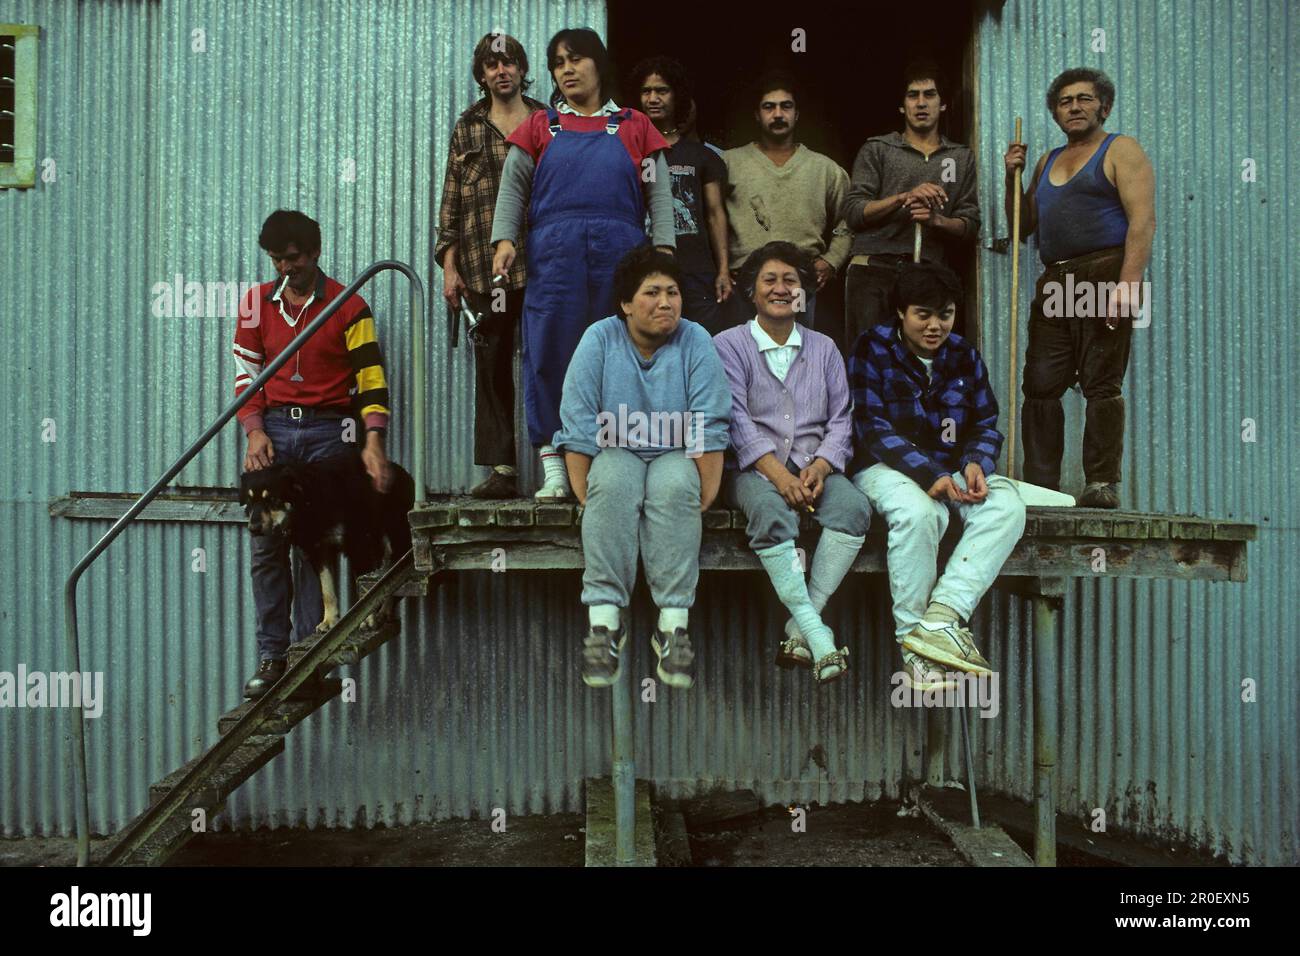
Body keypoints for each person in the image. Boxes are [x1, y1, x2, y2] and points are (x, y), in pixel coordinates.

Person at [491, 28, 676, 500]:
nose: (567, 69)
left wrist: (664, 250)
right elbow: (513, 187)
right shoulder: (540, 126)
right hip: (555, 257)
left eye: (576, 59)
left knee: (621, 353)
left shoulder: (634, 125)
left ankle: (616, 459)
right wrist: (506, 240)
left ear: (598, 64)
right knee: (551, 352)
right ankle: (556, 463)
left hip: (623, 256)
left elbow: (658, 191)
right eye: (558, 63)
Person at [553, 246, 730, 690]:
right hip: (616, 454)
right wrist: (586, 491)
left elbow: (710, 421)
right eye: (651, 292)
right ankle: (605, 624)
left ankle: (673, 627)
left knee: (673, 487)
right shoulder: (599, 339)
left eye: (672, 292)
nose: (666, 302)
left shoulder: (695, 340)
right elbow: (578, 419)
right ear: (626, 303)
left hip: (676, 456)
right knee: (610, 481)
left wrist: (701, 491)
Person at [232, 210, 394, 698]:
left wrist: (373, 440)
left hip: (330, 431)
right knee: (265, 543)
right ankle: (271, 656)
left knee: (314, 541)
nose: (285, 267)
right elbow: (246, 375)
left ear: (315, 253)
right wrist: (254, 431)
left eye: (294, 258)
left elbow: (370, 377)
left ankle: (310, 659)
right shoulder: (256, 304)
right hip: (275, 431)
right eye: (277, 260)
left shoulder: (349, 305)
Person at [848, 263, 1025, 689]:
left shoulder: (963, 354)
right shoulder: (872, 348)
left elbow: (985, 422)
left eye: (944, 314)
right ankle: (914, 649)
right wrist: (928, 473)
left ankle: (941, 620)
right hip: (883, 468)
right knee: (922, 514)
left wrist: (976, 463)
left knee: (1007, 505)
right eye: (922, 314)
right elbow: (871, 428)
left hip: (949, 470)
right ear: (901, 313)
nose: (935, 325)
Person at [713, 242, 870, 685]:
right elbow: (734, 419)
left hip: (814, 467)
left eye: (791, 281)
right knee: (769, 513)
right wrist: (778, 476)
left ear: (803, 292)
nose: (781, 289)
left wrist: (820, 467)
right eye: (770, 280)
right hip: (753, 471)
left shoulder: (824, 348)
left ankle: (802, 626)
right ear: (752, 290)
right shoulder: (728, 346)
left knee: (854, 511)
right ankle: (819, 636)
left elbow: (842, 420)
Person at [1005, 67, 1155, 508]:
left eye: (1084, 98)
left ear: (1103, 107)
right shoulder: (1046, 160)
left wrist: (1128, 285)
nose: (1074, 106)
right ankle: (1042, 486)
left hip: (1105, 272)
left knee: (1101, 382)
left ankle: (1100, 484)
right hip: (1057, 277)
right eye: (1065, 100)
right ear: (1055, 112)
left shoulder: (1120, 149)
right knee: (1041, 383)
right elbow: (1021, 226)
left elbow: (1143, 220)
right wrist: (1010, 176)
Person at [436, 32, 546, 499]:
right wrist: (449, 266)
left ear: (521, 70)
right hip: (484, 266)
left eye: (509, 63)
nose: (501, 72)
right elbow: (453, 199)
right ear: (482, 75)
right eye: (491, 65)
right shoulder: (468, 126)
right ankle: (503, 470)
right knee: (493, 363)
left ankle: (560, 466)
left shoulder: (547, 120)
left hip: (541, 260)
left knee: (549, 359)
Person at [842, 60, 981, 344]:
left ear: (943, 105)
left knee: (919, 366)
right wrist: (904, 197)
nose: (921, 103)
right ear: (902, 106)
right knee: (870, 362)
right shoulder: (878, 149)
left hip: (927, 273)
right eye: (913, 95)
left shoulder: (959, 157)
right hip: (873, 270)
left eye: (929, 95)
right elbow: (854, 212)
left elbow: (969, 225)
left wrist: (935, 220)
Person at [722, 71, 851, 330]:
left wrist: (830, 261)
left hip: (800, 284)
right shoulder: (728, 163)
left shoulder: (824, 168)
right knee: (743, 359)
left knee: (797, 359)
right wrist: (722, 268)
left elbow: (850, 219)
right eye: (769, 107)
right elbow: (710, 218)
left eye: (786, 106)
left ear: (797, 114)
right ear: (757, 115)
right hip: (743, 284)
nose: (778, 114)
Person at [628, 55, 733, 334]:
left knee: (702, 341)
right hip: (643, 266)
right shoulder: (626, 151)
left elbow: (714, 214)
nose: (653, 98)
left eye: (662, 91)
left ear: (677, 97)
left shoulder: (702, 156)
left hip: (696, 268)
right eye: (646, 91)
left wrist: (723, 270)